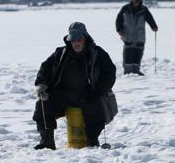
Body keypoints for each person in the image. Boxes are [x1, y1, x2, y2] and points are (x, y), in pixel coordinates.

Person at [33, 22, 116, 150]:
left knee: (95, 106)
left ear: (85, 38)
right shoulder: (60, 53)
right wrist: (41, 84)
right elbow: (46, 68)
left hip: (87, 94)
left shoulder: (98, 54)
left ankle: (92, 141)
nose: (76, 43)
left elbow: (109, 74)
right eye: (73, 40)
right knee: (43, 104)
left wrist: (98, 91)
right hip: (63, 94)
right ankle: (47, 141)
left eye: (79, 40)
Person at [115, 0, 158, 76]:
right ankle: (127, 71)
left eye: (138, 0)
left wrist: (154, 26)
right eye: (135, 0)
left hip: (139, 36)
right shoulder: (125, 9)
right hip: (128, 35)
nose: (136, 2)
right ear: (132, 0)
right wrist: (119, 29)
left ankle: (136, 70)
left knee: (138, 53)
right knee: (128, 53)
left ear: (140, 1)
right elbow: (119, 19)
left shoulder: (144, 10)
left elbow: (150, 18)